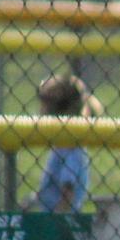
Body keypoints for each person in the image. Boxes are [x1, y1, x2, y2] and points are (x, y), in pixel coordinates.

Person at [31, 74, 98, 213]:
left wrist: (57, 220)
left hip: (59, 220)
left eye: (44, 105)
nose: (40, 111)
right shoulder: (61, 145)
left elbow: (68, 194)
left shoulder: (70, 149)